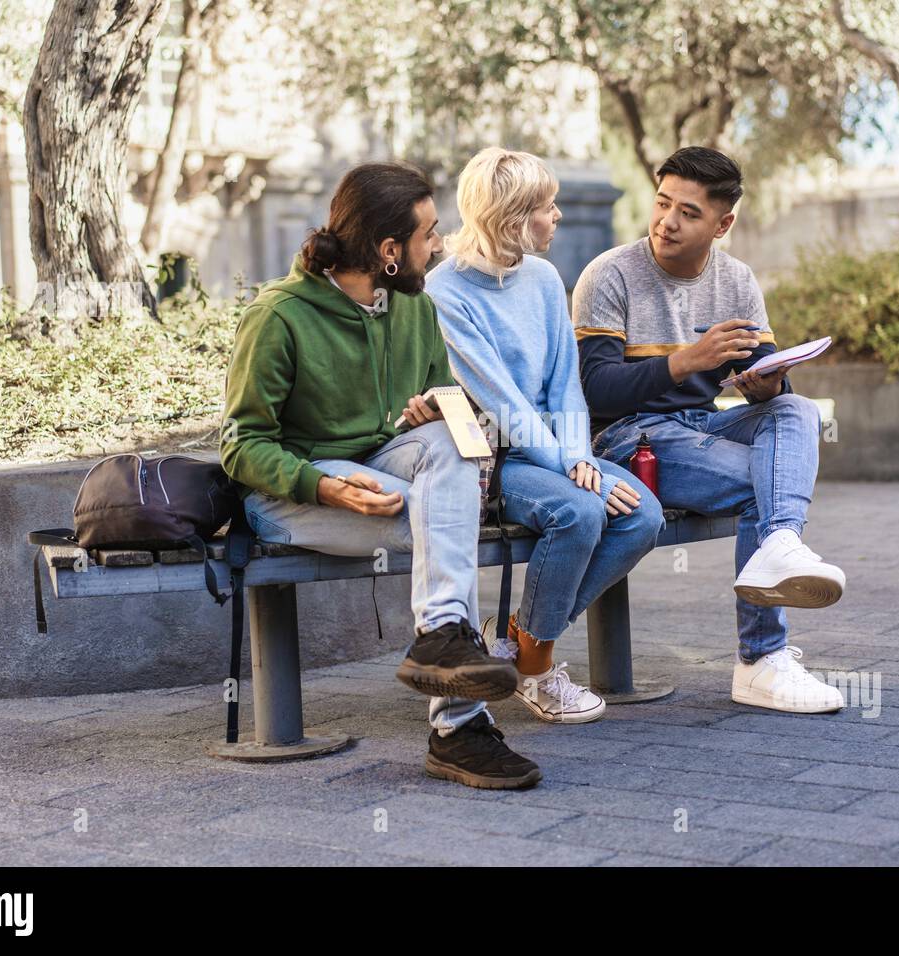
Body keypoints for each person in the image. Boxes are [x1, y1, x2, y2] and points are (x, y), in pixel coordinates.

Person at [220, 161, 541, 789]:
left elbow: (447, 401)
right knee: (442, 519)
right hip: (292, 490)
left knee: (447, 448)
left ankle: (442, 636)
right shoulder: (279, 316)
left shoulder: (411, 308)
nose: (440, 245)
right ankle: (458, 727)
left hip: (382, 470)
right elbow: (240, 445)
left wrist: (437, 408)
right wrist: (324, 485)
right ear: (389, 250)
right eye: (428, 234)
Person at [573, 146, 847, 714]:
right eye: (662, 203)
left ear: (722, 224)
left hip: (703, 423)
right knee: (759, 484)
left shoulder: (737, 281)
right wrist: (688, 360)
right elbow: (595, 390)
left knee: (797, 414)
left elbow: (772, 375)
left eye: (689, 213)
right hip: (628, 438)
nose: (667, 222)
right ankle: (761, 659)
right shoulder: (609, 275)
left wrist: (767, 385)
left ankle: (778, 546)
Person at [425, 148, 665, 723]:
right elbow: (500, 402)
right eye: (546, 207)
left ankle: (520, 639)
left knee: (643, 516)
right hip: (492, 455)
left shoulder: (543, 278)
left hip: (557, 450)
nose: (557, 216)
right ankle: (537, 672)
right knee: (579, 513)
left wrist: (579, 456)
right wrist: (567, 468)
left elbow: (565, 384)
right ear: (512, 217)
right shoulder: (445, 291)